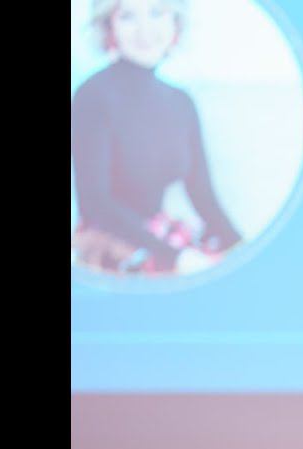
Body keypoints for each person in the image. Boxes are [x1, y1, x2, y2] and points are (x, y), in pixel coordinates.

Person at [71, 0, 241, 275]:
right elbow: (95, 204)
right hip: (109, 248)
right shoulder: (92, 96)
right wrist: (173, 258)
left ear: (175, 22)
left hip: (160, 237)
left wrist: (243, 249)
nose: (145, 30)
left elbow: (203, 197)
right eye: (127, 16)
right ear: (109, 27)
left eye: (156, 13)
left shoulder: (181, 102)